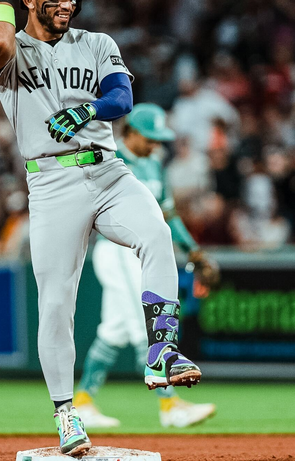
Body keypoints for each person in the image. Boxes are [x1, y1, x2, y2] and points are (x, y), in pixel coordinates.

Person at [0, 0, 201, 457]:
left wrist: (88, 108)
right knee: (56, 303)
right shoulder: (12, 50)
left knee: (156, 232)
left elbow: (122, 97)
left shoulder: (97, 44)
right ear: (28, 0)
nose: (69, 2)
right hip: (52, 182)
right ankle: (66, 414)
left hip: (107, 169)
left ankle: (162, 350)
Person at [74, 104, 217, 429]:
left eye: (159, 138)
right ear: (132, 133)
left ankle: (82, 402)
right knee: (145, 327)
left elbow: (168, 213)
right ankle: (170, 406)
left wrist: (193, 250)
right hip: (118, 249)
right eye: (150, 137)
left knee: (114, 331)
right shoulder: (110, 158)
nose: (156, 144)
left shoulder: (153, 165)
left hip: (143, 252)